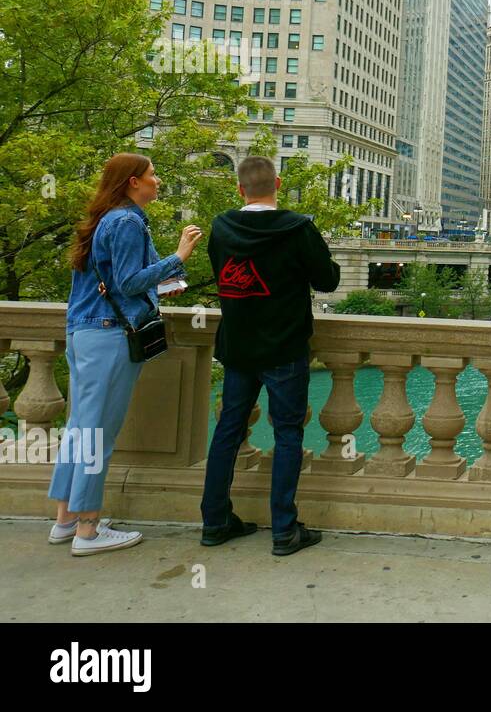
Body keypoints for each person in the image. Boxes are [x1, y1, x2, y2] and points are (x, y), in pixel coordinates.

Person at [52, 153, 202, 556]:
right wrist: (179, 256)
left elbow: (111, 280)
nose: (158, 180)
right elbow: (128, 282)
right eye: (153, 175)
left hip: (84, 332)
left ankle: (66, 519)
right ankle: (88, 530)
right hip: (109, 335)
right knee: (98, 432)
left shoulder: (105, 219)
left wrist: (165, 281)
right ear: (133, 182)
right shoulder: (127, 221)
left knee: (82, 429)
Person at [200, 156, 340, 556]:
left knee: (227, 431)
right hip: (284, 347)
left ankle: (214, 522)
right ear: (277, 183)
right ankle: (284, 529)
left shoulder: (222, 227)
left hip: (238, 348)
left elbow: (220, 273)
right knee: (288, 433)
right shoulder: (299, 228)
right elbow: (327, 280)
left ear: (239, 188)